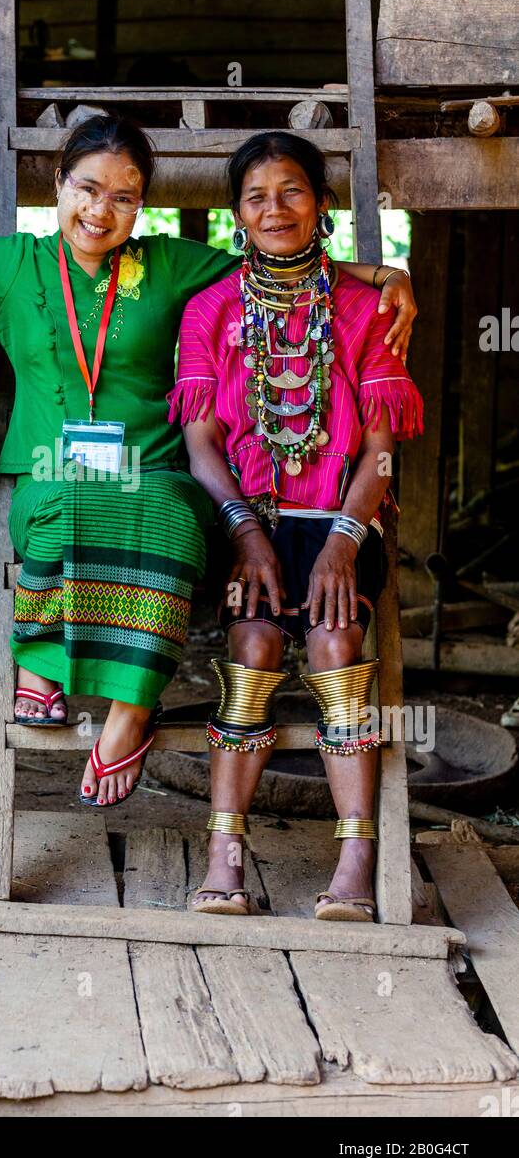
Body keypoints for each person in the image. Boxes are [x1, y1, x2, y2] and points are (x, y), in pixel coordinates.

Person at [0, 114, 417, 808]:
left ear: (141, 205)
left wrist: (382, 273)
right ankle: (44, 658)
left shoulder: (170, 265)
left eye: (124, 197)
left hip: (151, 473)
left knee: (176, 517)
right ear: (59, 183)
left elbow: (274, 262)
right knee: (67, 497)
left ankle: (130, 711)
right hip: (49, 473)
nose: (101, 210)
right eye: (87, 189)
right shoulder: (11, 265)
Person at [171, 130, 423, 921]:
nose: (274, 209)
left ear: (321, 205)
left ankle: (355, 859)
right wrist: (244, 531)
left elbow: (380, 451)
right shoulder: (209, 308)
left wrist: (347, 543)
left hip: (342, 517)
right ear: (235, 214)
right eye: (256, 196)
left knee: (338, 640)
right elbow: (202, 443)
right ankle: (225, 851)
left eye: (292, 192)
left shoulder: (365, 308)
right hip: (247, 515)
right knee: (254, 644)